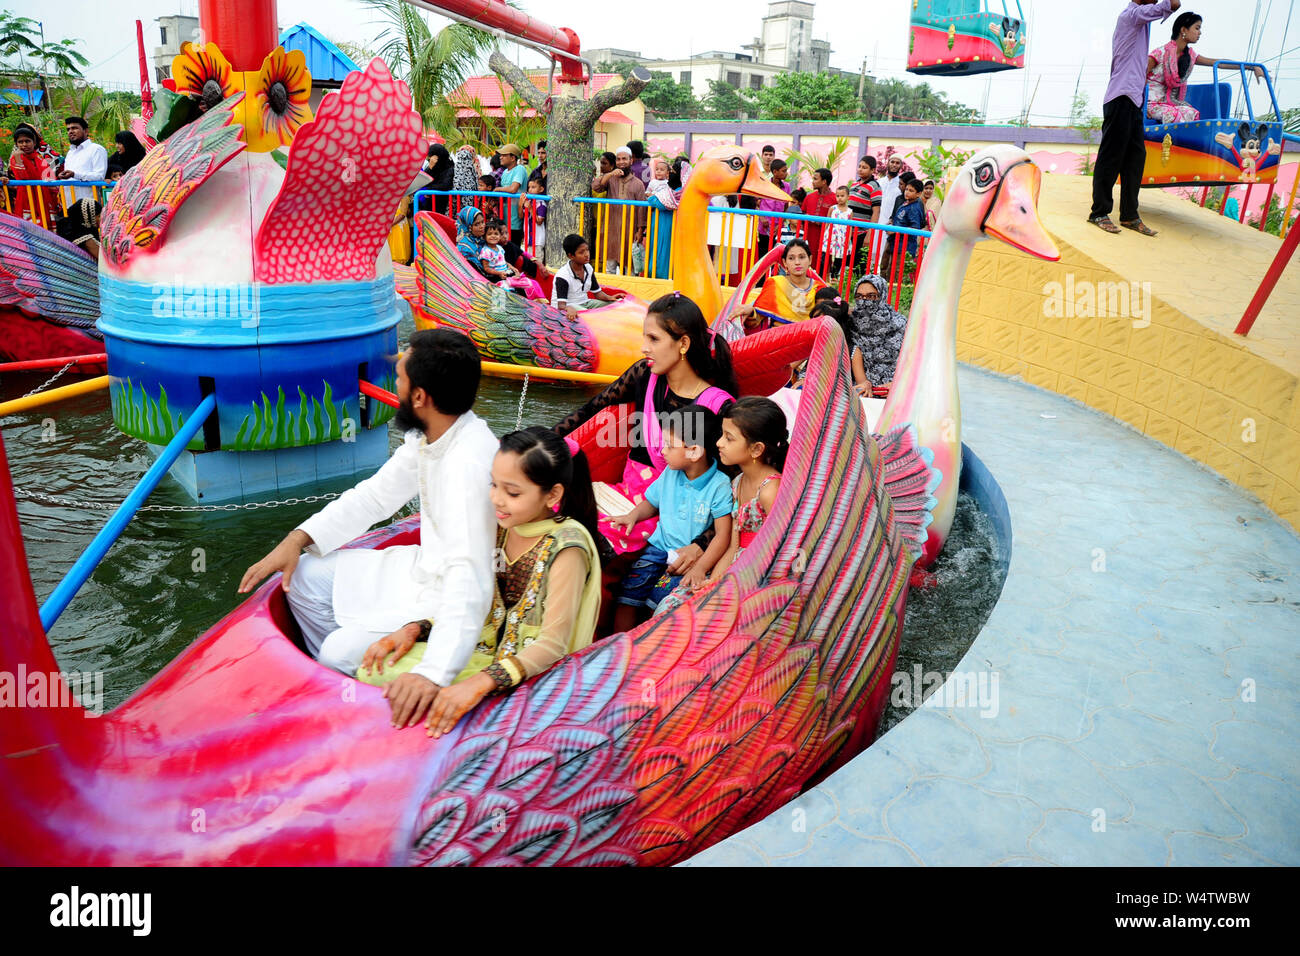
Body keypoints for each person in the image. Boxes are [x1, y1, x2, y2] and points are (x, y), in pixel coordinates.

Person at [237, 329, 499, 728]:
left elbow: (471, 578)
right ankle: (347, 673)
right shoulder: (435, 433)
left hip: (449, 599)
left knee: (337, 650)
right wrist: (297, 538)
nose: (394, 385)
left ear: (419, 397)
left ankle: (360, 699)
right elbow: (376, 496)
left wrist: (433, 674)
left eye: (400, 378)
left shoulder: (469, 463)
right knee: (304, 575)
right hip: (418, 571)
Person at [356, 428, 604, 736]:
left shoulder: (567, 546)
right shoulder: (501, 527)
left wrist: (479, 683)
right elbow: (474, 603)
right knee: (373, 669)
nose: (496, 500)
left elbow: (554, 645)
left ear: (552, 495)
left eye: (512, 493)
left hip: (534, 677)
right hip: (484, 654)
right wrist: (415, 629)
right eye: (493, 485)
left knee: (400, 684)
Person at [554, 292, 737, 564]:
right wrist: (539, 442)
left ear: (683, 344)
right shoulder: (643, 374)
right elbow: (589, 411)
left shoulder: (718, 407)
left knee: (585, 538)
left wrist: (700, 545)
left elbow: (731, 491)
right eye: (644, 337)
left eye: (653, 339)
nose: (644, 348)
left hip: (672, 519)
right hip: (625, 496)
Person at [655, 396, 788, 617]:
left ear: (756, 449)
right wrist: (713, 584)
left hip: (758, 580)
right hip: (732, 572)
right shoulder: (737, 483)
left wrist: (726, 585)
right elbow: (733, 546)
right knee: (669, 607)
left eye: (729, 438)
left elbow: (778, 553)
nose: (718, 443)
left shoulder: (770, 491)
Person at [609, 403, 733, 630]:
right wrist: (632, 516)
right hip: (656, 549)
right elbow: (652, 503)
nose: (662, 451)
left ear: (694, 451)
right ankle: (614, 644)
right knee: (627, 599)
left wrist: (700, 567)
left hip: (685, 561)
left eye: (669, 445)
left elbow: (723, 535)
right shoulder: (670, 472)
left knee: (657, 608)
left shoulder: (720, 486)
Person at [1091, 0, 1181, 236]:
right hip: (1120, 96)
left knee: (1135, 158)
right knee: (1111, 157)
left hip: (1133, 99)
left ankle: (1129, 215)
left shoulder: (1141, 19)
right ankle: (1099, 212)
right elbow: (1171, 4)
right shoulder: (1131, 16)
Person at [1146, 13, 1264, 125]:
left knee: (1191, 112)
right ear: (1183, 30)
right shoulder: (1159, 53)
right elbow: (1138, 78)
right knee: (1174, 115)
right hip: (1149, 104)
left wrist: (1252, 67)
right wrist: (1140, 108)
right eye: (1197, 28)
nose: (1200, 33)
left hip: (1169, 104)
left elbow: (1219, 63)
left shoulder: (1190, 56)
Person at [733, 238, 827, 331]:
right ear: (785, 262)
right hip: (778, 337)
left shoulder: (818, 288)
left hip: (808, 338)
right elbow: (755, 321)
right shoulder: (775, 284)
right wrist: (751, 312)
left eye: (802, 257)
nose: (797, 262)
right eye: (791, 258)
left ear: (810, 259)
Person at [591, 145, 646, 274]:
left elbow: (641, 210)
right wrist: (610, 174)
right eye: (618, 159)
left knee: (629, 270)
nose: (621, 162)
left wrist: (640, 231)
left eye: (624, 159)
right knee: (609, 268)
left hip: (629, 231)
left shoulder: (638, 184)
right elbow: (596, 186)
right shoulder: (611, 179)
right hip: (611, 231)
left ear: (631, 161)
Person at [852, 275, 909, 391]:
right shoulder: (851, 323)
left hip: (898, 388)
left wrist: (898, 384)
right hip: (860, 390)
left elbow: (912, 359)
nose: (864, 301)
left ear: (882, 296)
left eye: (871, 296)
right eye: (859, 296)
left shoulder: (900, 324)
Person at [552, 233, 624, 316]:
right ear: (571, 256)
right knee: (589, 314)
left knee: (617, 305)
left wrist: (611, 298)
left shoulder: (588, 268)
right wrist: (567, 308)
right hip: (567, 307)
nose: (587, 254)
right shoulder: (563, 275)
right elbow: (561, 306)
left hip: (585, 303)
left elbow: (597, 293)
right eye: (581, 252)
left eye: (587, 250)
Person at [1, 123, 55, 227]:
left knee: (47, 228)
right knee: (30, 228)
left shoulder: (39, 158)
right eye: (20, 142)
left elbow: (50, 177)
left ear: (34, 143)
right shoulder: (15, 158)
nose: (24, 144)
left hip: (44, 197)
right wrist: (18, 159)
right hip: (26, 198)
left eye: (27, 141)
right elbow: (23, 178)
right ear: (16, 144)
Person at [57, 116, 108, 203]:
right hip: (69, 203)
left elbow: (99, 176)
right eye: (68, 129)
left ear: (86, 131)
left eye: (74, 128)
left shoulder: (96, 149)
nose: (70, 131)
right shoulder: (70, 152)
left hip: (88, 204)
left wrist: (74, 174)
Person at [645, 157, 679, 279]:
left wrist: (653, 198)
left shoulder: (673, 187)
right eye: (657, 169)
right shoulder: (654, 183)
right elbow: (649, 195)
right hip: (659, 217)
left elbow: (659, 201)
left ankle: (662, 273)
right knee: (656, 244)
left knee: (664, 247)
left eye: (662, 170)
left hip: (666, 219)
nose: (659, 172)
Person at [800, 167, 837, 272]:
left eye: (815, 179)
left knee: (823, 267)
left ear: (824, 181)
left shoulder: (835, 199)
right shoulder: (809, 197)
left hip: (825, 239)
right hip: (808, 237)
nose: (813, 181)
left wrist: (821, 222)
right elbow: (801, 214)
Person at [757, 158, 794, 262]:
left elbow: (786, 207)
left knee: (776, 256)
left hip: (778, 228)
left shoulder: (786, 187)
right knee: (763, 256)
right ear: (775, 172)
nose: (786, 173)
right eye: (783, 171)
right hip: (764, 227)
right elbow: (756, 202)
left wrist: (780, 224)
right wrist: (762, 218)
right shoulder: (764, 184)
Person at [493, 143, 530, 245]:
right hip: (504, 217)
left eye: (504, 155)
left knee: (513, 245)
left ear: (513, 158)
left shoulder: (520, 169)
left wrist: (498, 189)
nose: (501, 157)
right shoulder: (505, 172)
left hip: (515, 220)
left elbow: (513, 189)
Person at [887, 178, 926, 261]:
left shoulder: (914, 208)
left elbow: (915, 229)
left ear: (918, 194)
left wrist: (895, 230)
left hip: (904, 248)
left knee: (898, 268)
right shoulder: (906, 203)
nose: (907, 192)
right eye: (906, 189)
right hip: (894, 244)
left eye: (911, 191)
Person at [825, 185, 854, 280]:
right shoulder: (832, 208)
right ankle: (826, 274)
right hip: (831, 235)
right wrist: (824, 234)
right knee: (827, 254)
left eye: (842, 196)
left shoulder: (849, 211)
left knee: (840, 256)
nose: (840, 198)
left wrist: (848, 239)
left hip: (843, 236)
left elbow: (850, 227)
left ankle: (834, 274)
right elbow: (827, 222)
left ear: (848, 197)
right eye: (837, 196)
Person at [418, 143, 455, 215]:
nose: (430, 159)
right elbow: (423, 181)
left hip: (442, 206)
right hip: (430, 204)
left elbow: (445, 185)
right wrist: (430, 168)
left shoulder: (449, 167)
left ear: (437, 157)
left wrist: (429, 190)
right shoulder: (434, 166)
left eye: (431, 156)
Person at [479, 218, 518, 282]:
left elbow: (502, 261)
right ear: (484, 237)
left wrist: (511, 266)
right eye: (489, 234)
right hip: (496, 277)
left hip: (505, 273)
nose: (493, 236)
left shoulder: (500, 248)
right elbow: (486, 268)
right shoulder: (486, 251)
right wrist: (499, 273)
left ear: (500, 236)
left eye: (496, 234)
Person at [878, 154, 906, 228]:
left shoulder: (901, 185)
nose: (894, 165)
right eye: (892, 162)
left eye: (897, 163)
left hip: (891, 226)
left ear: (901, 166)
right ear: (888, 163)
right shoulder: (879, 182)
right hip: (875, 223)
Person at [527, 178, 547, 254]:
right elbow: (521, 216)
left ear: (541, 189)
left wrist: (530, 208)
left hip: (537, 241)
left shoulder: (541, 204)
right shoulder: (529, 201)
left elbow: (539, 221)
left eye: (533, 187)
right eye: (529, 187)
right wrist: (520, 204)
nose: (530, 190)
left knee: (537, 259)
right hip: (528, 239)